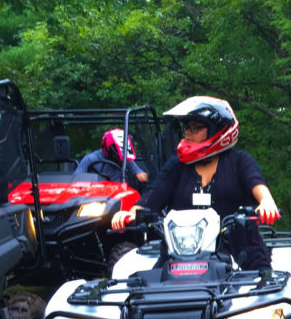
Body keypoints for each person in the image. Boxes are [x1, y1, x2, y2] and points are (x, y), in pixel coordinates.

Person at [110, 96, 280, 270]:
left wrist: (267, 202)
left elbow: (256, 182)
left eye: (195, 128)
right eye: (187, 128)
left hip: (240, 249)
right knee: (148, 290)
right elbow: (154, 194)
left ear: (217, 130)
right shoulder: (177, 165)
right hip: (181, 254)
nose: (188, 133)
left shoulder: (239, 161)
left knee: (263, 285)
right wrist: (132, 212)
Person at [76, 129, 150, 186]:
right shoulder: (90, 159)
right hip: (96, 196)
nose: (119, 157)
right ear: (108, 149)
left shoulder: (126, 159)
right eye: (117, 153)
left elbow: (141, 175)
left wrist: (142, 176)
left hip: (119, 194)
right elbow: (76, 180)